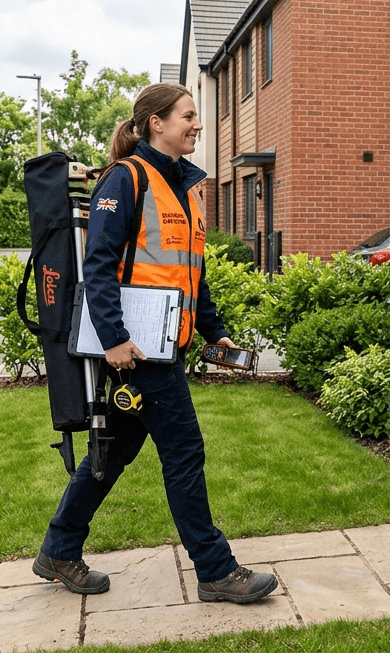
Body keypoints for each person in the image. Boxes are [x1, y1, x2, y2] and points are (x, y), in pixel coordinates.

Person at [33, 83, 278, 605]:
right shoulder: (125, 180)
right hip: (139, 352)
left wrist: (214, 331)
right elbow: (97, 264)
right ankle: (215, 570)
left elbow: (194, 274)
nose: (196, 125)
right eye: (188, 116)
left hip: (165, 346)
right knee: (185, 453)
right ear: (154, 124)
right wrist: (114, 340)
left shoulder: (185, 188)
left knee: (113, 453)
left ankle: (59, 548)